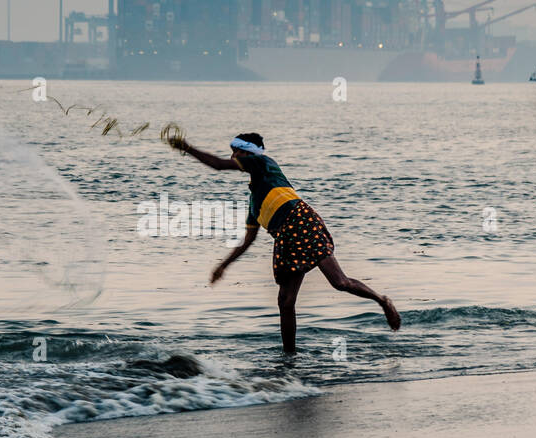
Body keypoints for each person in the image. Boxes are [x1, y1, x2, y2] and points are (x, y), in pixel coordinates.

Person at [170, 131, 401, 353]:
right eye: (232, 152)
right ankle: (289, 358)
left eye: (236, 152)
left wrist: (187, 148)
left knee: (339, 283)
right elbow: (247, 241)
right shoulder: (254, 204)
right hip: (284, 238)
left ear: (249, 153)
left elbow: (218, 165)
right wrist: (223, 265)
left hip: (302, 222)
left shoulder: (263, 163)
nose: (233, 157)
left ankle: (382, 301)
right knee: (285, 301)